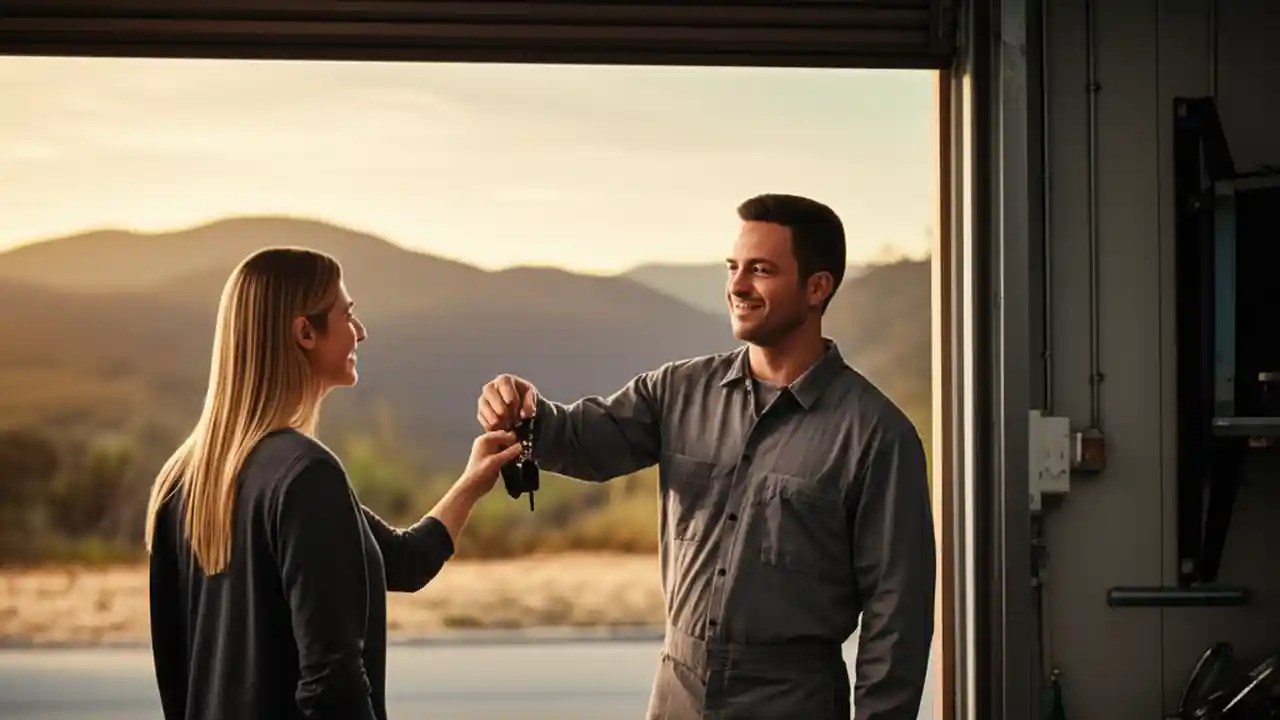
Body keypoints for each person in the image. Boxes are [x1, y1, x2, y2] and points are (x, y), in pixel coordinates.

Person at [478, 194, 935, 719]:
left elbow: (896, 619)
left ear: (817, 287)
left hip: (793, 703)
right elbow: (582, 440)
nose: (738, 286)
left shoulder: (878, 435)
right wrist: (525, 410)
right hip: (677, 698)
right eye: (733, 267)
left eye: (760, 270)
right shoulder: (675, 391)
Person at [145, 247, 523, 720]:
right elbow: (332, 684)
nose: (360, 331)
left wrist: (471, 482)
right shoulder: (305, 476)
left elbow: (402, 562)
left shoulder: (181, 481)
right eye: (347, 314)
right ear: (304, 332)